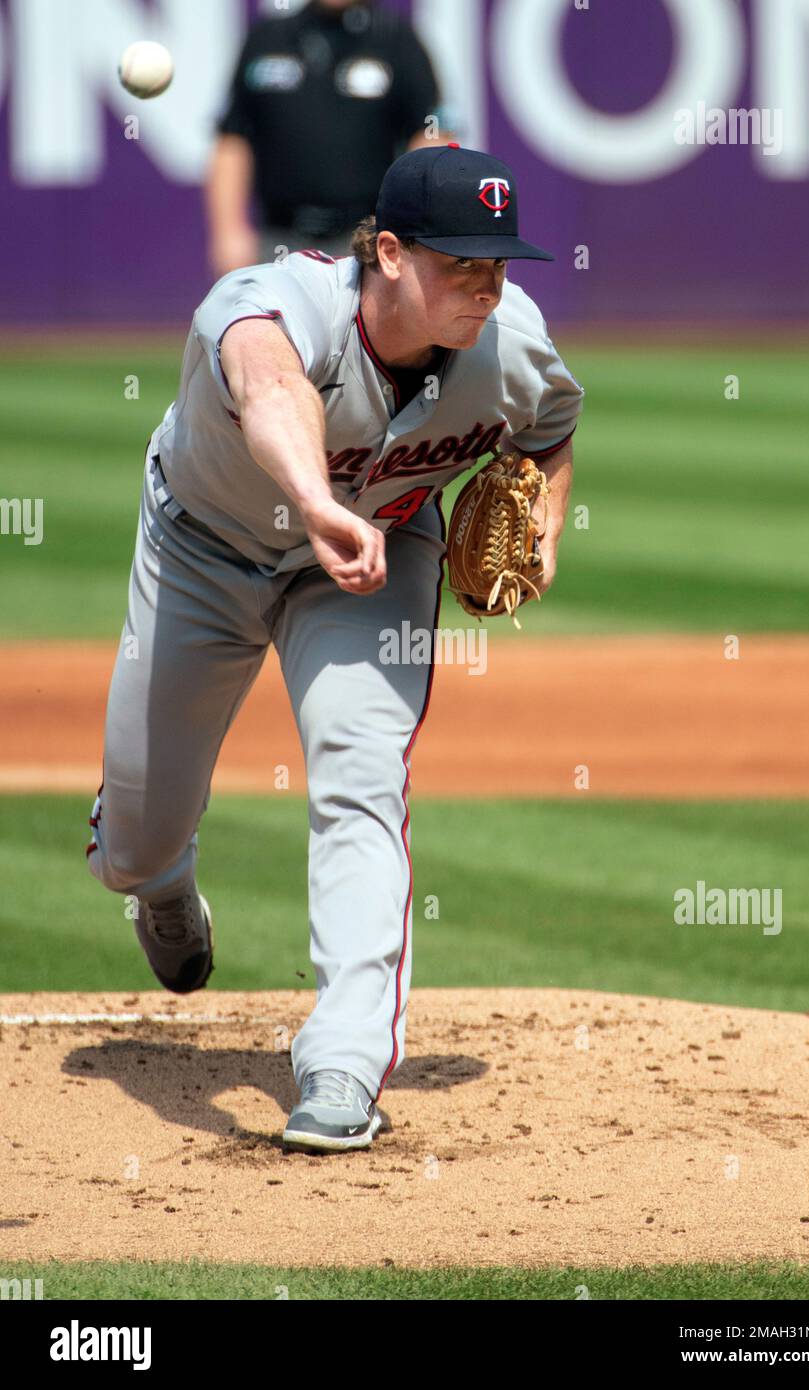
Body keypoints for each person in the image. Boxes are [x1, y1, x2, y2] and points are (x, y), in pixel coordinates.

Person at [87, 144, 584, 1153]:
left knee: (362, 774)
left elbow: (551, 426)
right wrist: (315, 501)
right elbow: (267, 384)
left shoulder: (511, 343)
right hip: (203, 545)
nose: (485, 287)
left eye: (498, 265)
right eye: (461, 264)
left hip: (373, 559)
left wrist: (544, 528)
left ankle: (345, 1061)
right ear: (389, 254)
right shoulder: (279, 302)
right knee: (132, 838)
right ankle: (161, 875)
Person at [206, 0, 453, 275]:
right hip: (277, 242)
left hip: (364, 242)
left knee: (357, 319)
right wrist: (228, 232)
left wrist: (412, 231)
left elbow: (431, 138)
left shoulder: (395, 39)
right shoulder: (268, 37)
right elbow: (233, 140)